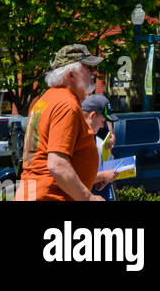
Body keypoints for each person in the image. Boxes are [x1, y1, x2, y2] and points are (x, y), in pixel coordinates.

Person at [17, 44, 107, 202]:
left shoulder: (47, 100)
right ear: (71, 74)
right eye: (88, 67)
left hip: (34, 193)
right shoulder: (66, 105)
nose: (94, 72)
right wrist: (88, 197)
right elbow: (57, 164)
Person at [82, 94, 118, 201]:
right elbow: (74, 177)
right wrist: (102, 176)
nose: (103, 126)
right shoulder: (78, 138)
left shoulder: (91, 137)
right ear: (93, 116)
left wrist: (98, 179)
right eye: (103, 121)